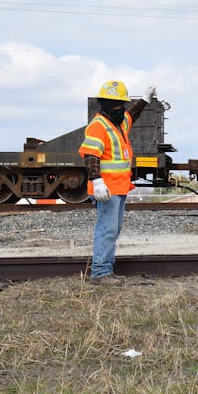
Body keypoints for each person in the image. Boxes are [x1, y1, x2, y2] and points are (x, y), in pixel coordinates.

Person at [78, 80, 156, 285]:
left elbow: (133, 115)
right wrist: (97, 181)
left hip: (119, 188)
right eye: (116, 103)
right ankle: (100, 272)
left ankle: (105, 269)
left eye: (121, 103)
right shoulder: (98, 126)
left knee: (113, 229)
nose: (120, 107)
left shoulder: (119, 122)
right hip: (106, 189)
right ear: (105, 103)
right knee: (107, 229)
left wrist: (145, 101)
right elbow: (90, 155)